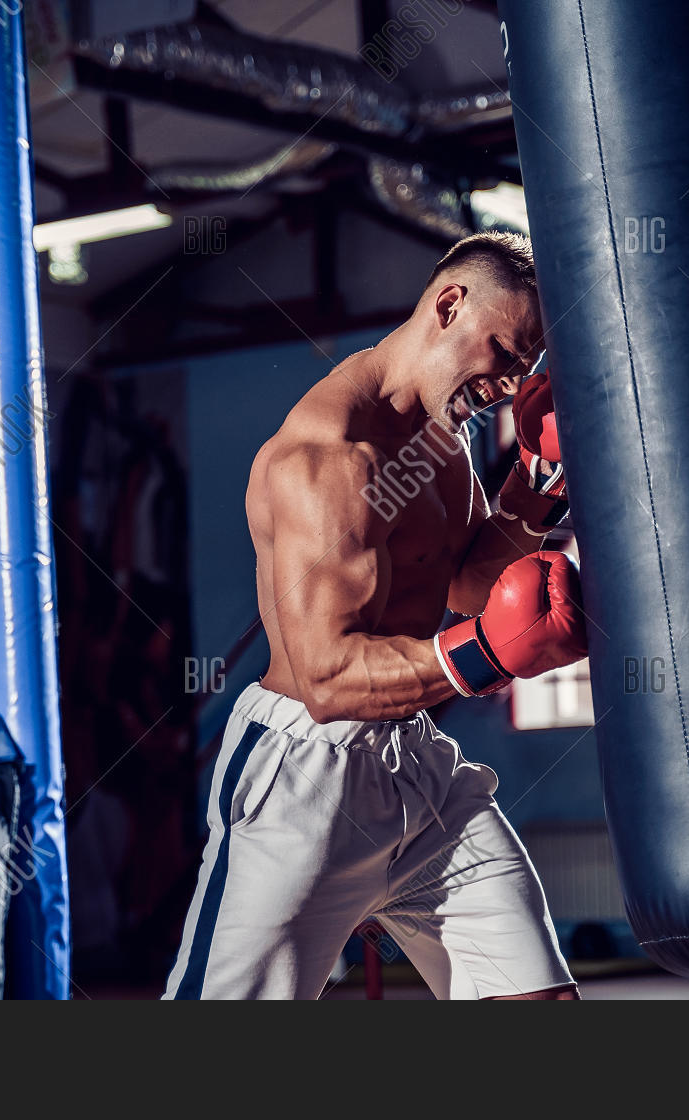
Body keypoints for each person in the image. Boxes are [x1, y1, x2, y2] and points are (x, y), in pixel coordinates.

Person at [164, 232, 588, 1000]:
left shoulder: (443, 441)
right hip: (304, 775)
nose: (509, 384)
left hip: (418, 769)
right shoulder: (325, 460)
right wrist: (491, 652)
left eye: (525, 369)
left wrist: (537, 482)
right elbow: (329, 677)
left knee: (538, 1000)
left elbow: (462, 587)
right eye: (504, 352)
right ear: (449, 304)